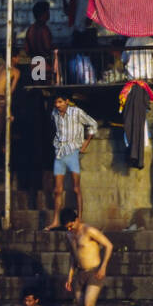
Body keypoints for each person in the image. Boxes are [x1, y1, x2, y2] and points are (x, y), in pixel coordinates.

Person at [61, 208, 112, 306]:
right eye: (67, 227)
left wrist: (103, 267)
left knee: (88, 304)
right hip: (79, 273)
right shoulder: (69, 235)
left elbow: (109, 246)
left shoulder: (89, 230)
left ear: (76, 219)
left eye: (71, 225)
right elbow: (73, 256)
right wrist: (69, 276)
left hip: (94, 271)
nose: (70, 229)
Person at [44, 93, 97, 230]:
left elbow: (93, 124)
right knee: (57, 190)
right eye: (56, 102)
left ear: (67, 101)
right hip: (59, 152)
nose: (58, 105)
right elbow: (55, 130)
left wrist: (85, 144)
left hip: (73, 151)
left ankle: (79, 219)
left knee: (76, 188)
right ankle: (55, 221)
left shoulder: (76, 112)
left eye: (60, 102)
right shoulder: (54, 113)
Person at [23, 0, 56, 65]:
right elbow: (47, 47)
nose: (49, 13)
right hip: (45, 64)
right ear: (43, 13)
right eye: (47, 11)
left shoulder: (30, 29)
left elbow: (26, 49)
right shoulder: (44, 29)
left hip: (34, 64)